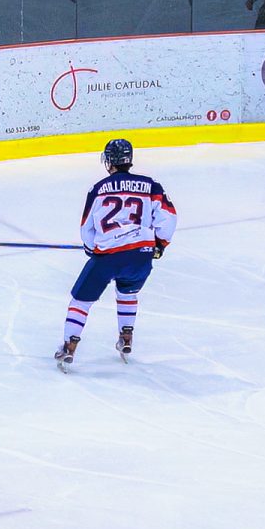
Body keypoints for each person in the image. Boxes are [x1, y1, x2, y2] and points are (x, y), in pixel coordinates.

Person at [56, 139, 177, 372]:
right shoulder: (151, 185)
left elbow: (87, 228)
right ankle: (127, 338)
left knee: (81, 301)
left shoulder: (98, 188)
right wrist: (159, 244)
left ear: (109, 161)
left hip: (108, 256)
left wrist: (92, 249)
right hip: (141, 254)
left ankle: (70, 346)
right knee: (128, 293)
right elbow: (168, 217)